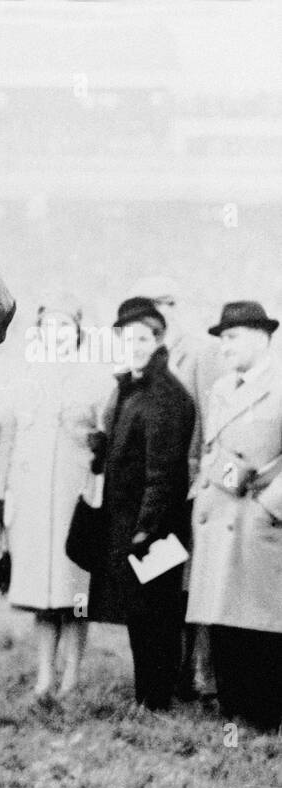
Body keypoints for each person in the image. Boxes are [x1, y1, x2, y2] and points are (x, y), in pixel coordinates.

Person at [0, 296, 111, 697]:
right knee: (40, 594)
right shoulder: (23, 379)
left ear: (77, 332)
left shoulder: (97, 380)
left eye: (64, 327)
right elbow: (5, 440)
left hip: (75, 500)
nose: (56, 335)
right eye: (48, 328)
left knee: (72, 591)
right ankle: (44, 676)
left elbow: (107, 441)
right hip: (31, 499)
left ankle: (72, 678)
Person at [87, 297, 195, 711]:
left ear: (158, 340)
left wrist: (144, 531)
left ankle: (155, 700)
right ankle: (148, 697)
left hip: (152, 528)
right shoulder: (131, 389)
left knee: (156, 615)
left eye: (142, 338)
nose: (133, 345)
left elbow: (163, 473)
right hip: (129, 523)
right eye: (126, 338)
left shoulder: (164, 395)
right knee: (141, 613)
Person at [186, 301, 282, 731]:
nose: (224, 347)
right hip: (221, 513)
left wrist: (270, 506)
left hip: (260, 521)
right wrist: (227, 480)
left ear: (262, 337)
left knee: (261, 622)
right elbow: (211, 457)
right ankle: (233, 712)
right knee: (224, 620)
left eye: (233, 337)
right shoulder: (220, 389)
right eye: (221, 338)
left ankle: (264, 718)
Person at [128, 275, 223, 699]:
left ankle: (199, 671)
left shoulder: (200, 351)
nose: (158, 310)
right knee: (163, 581)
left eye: (164, 302)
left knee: (191, 579)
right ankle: (171, 675)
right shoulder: (149, 355)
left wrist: (201, 477)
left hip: (191, 487)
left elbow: (209, 419)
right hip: (161, 487)